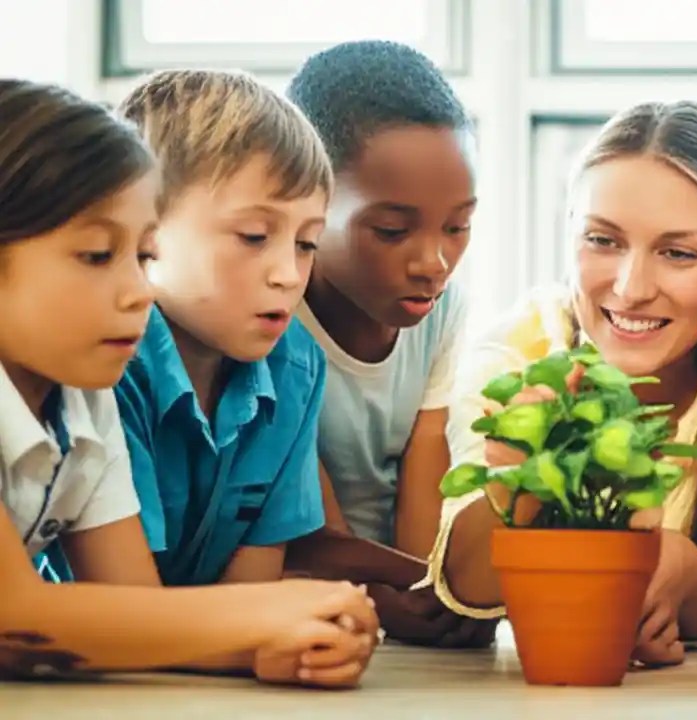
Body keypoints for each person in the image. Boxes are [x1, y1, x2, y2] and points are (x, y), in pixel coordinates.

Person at [0, 78, 375, 687]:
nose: (140, 291)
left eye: (144, 256)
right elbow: (14, 615)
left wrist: (272, 644)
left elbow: (132, 612)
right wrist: (262, 615)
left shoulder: (84, 399)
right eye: (98, 255)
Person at [439, 101, 697, 666]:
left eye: (678, 253)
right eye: (603, 241)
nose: (632, 288)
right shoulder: (517, 355)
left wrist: (685, 573)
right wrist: (519, 482)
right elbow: (465, 588)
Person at [281, 40, 494, 647]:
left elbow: (427, 474)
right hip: (311, 596)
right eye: (393, 230)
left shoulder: (445, 312)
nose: (435, 262)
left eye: (459, 226)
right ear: (309, 205)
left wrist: (440, 592)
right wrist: (388, 592)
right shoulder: (273, 313)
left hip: (400, 596)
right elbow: (311, 526)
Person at [115, 69, 330, 588]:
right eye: (254, 236)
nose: (288, 274)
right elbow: (121, 608)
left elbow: (251, 590)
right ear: (147, 229)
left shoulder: (295, 366)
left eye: (307, 243)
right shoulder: (107, 359)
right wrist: (264, 631)